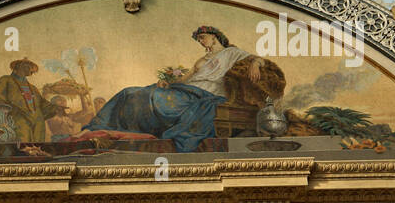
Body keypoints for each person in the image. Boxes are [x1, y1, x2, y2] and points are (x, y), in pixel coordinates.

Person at [83, 27, 280, 151]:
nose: (202, 42)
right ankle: (106, 126)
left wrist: (256, 64)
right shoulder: (201, 60)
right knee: (131, 92)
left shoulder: (232, 53)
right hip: (188, 91)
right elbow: (186, 80)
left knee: (155, 98)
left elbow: (256, 58)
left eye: (203, 38)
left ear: (214, 37)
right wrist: (167, 83)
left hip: (208, 94)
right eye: (200, 40)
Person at [0, 59, 64, 142]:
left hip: (38, 121)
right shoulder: (6, 80)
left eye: (31, 68)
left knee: (39, 145)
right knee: (23, 141)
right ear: (20, 67)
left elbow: (42, 103)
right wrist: (9, 107)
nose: (31, 70)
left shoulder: (33, 88)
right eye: (28, 67)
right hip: (17, 117)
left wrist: (54, 108)